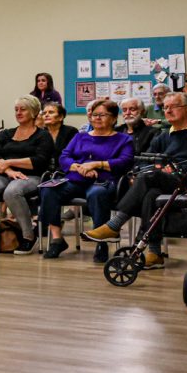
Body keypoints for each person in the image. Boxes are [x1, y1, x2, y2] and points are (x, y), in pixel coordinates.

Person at [83, 92, 187, 268]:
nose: (167, 110)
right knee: (151, 193)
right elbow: (144, 161)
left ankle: (115, 224)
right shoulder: (164, 135)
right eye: (165, 107)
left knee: (152, 176)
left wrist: (176, 168)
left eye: (172, 107)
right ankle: (154, 252)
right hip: (166, 183)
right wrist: (143, 172)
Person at [39, 98, 133, 260]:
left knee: (97, 193)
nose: (96, 118)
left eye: (102, 115)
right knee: (49, 189)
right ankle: (57, 239)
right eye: (94, 115)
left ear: (113, 118)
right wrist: (80, 168)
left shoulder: (123, 139)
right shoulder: (80, 137)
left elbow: (124, 162)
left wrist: (96, 164)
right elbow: (64, 157)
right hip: (76, 179)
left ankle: (101, 241)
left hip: (104, 181)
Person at [0, 96, 54, 254]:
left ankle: (28, 236)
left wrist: (9, 162)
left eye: (23, 109)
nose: (18, 113)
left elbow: (39, 161)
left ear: (33, 112)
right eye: (16, 110)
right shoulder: (6, 133)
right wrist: (8, 169)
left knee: (12, 192)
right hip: (5, 174)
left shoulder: (43, 135)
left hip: (32, 176)